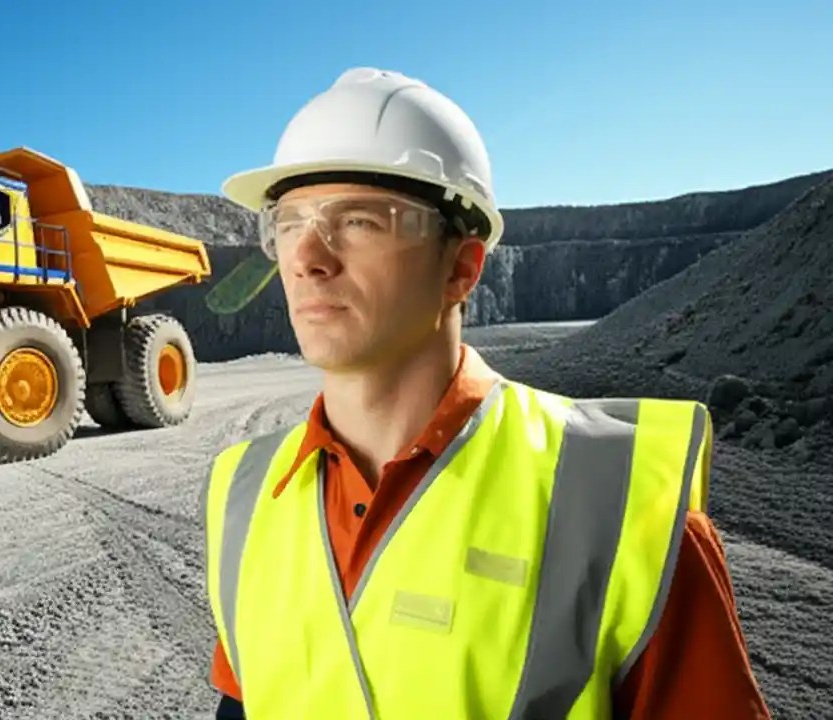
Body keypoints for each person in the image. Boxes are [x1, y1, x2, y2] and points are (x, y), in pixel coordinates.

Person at [201, 67, 771, 719]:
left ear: (462, 268)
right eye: (289, 223)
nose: (307, 257)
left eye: (358, 221)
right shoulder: (242, 497)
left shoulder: (622, 503)